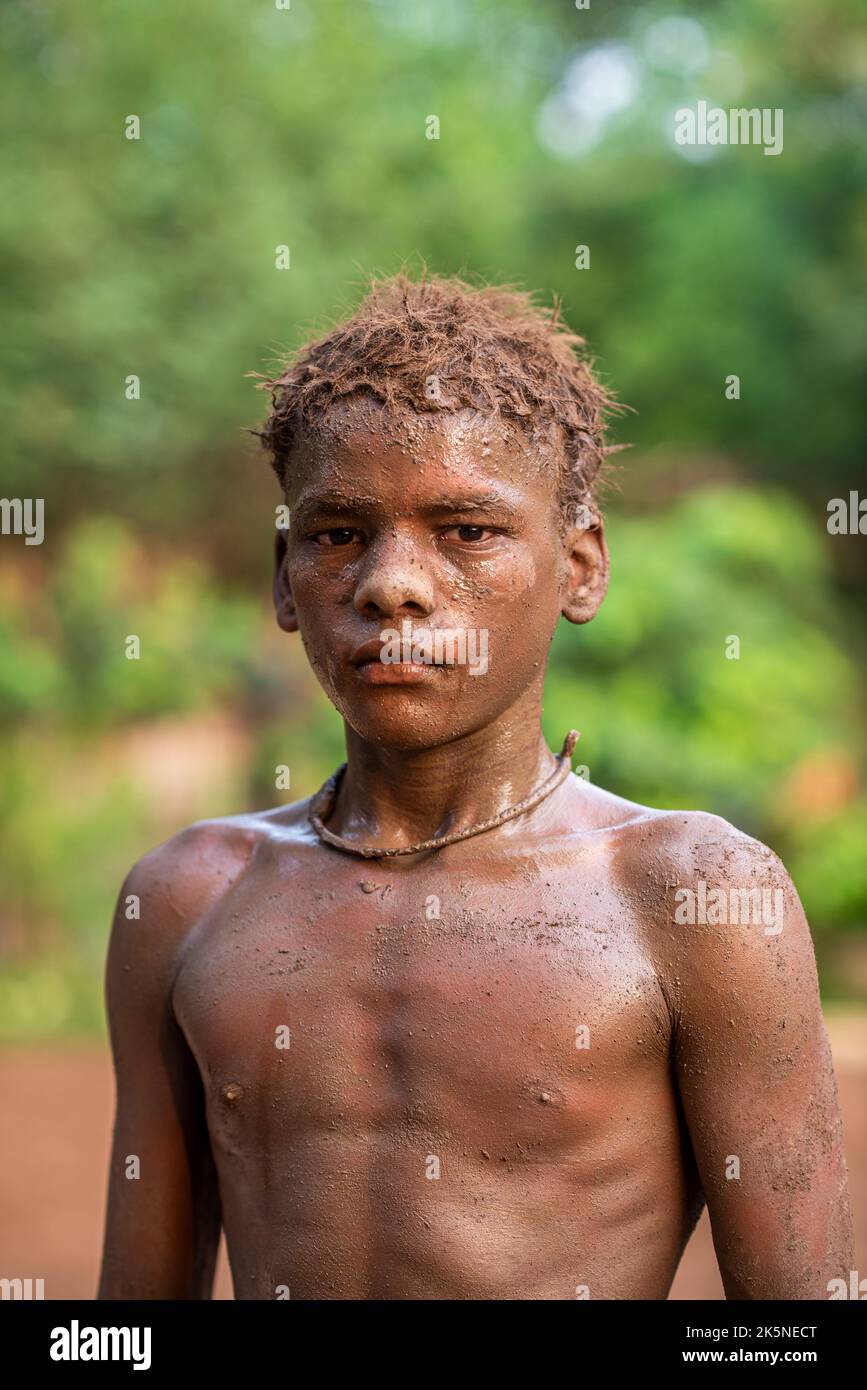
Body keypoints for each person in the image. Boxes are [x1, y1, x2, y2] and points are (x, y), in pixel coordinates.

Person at [98, 272, 853, 1299]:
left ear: (580, 566)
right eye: (336, 534)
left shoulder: (694, 900)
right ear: (284, 577)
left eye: (467, 530)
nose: (390, 583)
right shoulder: (187, 900)